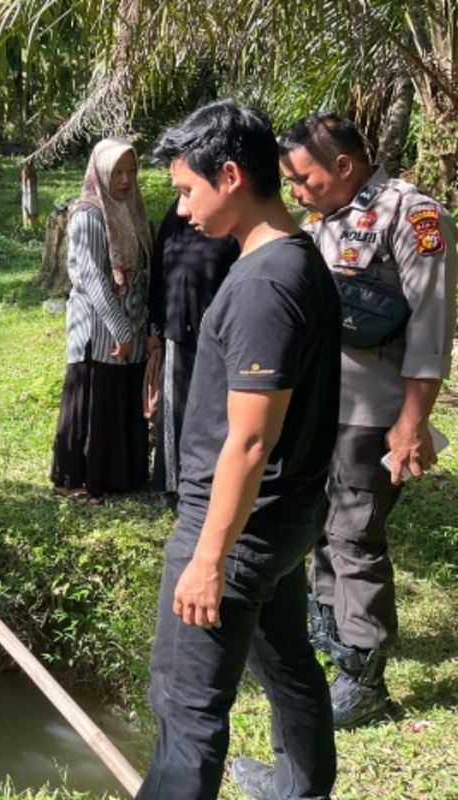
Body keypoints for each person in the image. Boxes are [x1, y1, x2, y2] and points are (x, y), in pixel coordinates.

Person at [138, 100, 339, 800]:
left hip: (239, 527)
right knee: (287, 662)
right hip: (283, 518)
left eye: (188, 192)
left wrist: (208, 559)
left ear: (229, 176)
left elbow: (250, 441)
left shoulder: (266, 284)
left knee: (186, 709)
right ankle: (303, 789)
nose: (185, 212)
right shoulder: (293, 259)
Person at [278, 113, 457, 728]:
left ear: (344, 167)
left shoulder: (413, 215)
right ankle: (330, 629)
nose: (295, 191)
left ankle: (363, 675)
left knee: (355, 535)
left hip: (372, 413)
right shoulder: (322, 219)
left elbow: (432, 329)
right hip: (321, 407)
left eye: (303, 178)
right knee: (323, 524)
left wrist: (412, 422)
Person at [50, 138, 152, 502]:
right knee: (95, 394)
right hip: (99, 328)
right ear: (99, 173)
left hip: (131, 322)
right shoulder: (89, 216)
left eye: (131, 171)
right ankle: (77, 478)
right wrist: (120, 328)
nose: (125, 180)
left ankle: (116, 477)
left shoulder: (132, 210)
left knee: (120, 396)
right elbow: (92, 278)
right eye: (117, 172)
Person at [147, 199, 239, 505]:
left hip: (221, 334)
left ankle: (216, 482)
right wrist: (155, 329)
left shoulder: (231, 216)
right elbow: (159, 274)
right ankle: (172, 485)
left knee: (217, 412)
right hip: (177, 329)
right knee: (174, 412)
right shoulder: (175, 218)